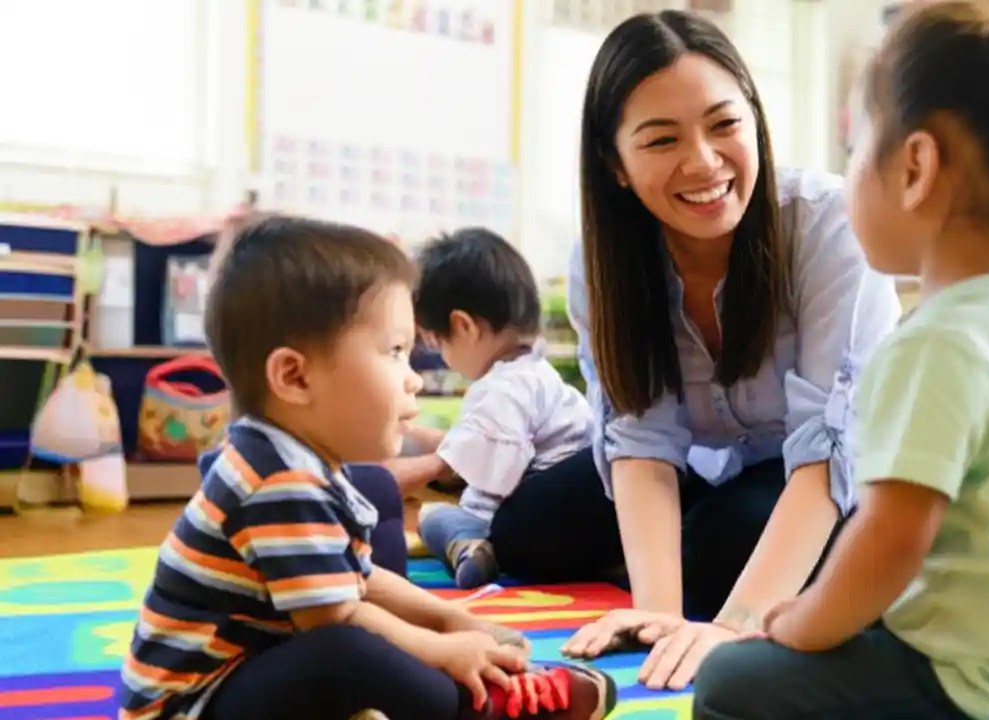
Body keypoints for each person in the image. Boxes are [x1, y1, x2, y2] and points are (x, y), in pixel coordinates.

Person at [693, 0, 989, 717]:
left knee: (731, 684)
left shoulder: (935, 343)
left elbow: (891, 540)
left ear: (914, 167)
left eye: (857, 146)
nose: (848, 176)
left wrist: (800, 622)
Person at [484, 9, 901, 690]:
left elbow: (829, 450)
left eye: (724, 125)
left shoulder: (828, 224)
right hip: (699, 465)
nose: (704, 162)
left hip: (817, 476)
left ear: (755, 119)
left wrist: (734, 630)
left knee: (725, 546)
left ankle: (717, 557)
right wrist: (656, 615)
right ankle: (687, 555)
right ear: (613, 164)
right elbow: (642, 440)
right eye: (660, 139)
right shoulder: (606, 260)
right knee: (525, 532)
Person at [117, 216, 616, 720]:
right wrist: (442, 651)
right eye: (395, 353)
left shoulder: (298, 460)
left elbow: (359, 576)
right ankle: (471, 706)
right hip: (192, 707)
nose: (414, 379)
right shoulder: (275, 481)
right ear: (294, 377)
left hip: (254, 671)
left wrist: (450, 620)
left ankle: (410, 689)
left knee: (374, 503)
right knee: (344, 652)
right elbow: (338, 618)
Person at [408, 228, 594, 589]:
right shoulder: (538, 374)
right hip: (577, 507)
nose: (444, 357)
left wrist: (469, 525)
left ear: (463, 326)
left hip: (543, 518)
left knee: (433, 518)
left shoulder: (500, 388)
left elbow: (494, 475)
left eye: (437, 342)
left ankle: (469, 545)